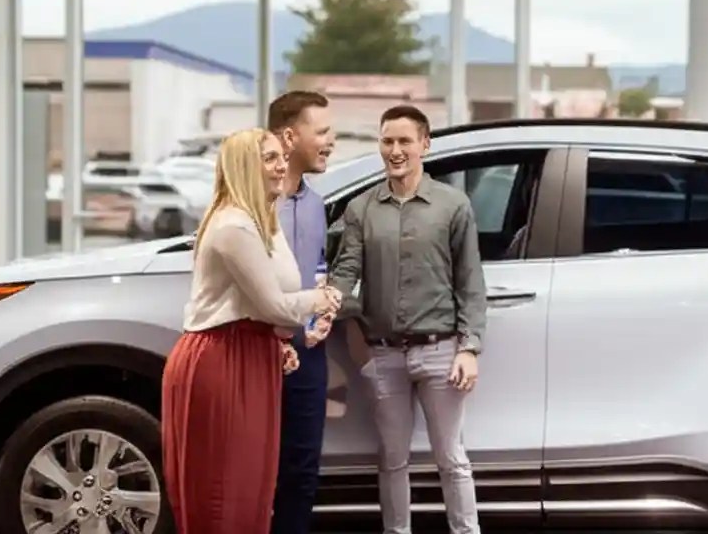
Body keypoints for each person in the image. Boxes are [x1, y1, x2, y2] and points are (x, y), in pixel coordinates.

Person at [161, 128, 341, 534]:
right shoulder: (234, 227)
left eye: (282, 156)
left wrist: (273, 340)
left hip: (248, 356)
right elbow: (274, 304)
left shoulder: (262, 220)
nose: (282, 166)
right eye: (270, 158)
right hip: (222, 363)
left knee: (249, 491)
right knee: (224, 494)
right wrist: (321, 298)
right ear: (244, 167)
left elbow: (260, 306)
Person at [329, 104, 487, 534]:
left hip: (441, 352)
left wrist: (470, 348)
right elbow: (347, 272)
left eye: (404, 141)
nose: (395, 150)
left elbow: (470, 281)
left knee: (451, 457)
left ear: (424, 144)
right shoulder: (362, 209)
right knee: (392, 459)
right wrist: (326, 304)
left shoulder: (453, 206)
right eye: (387, 141)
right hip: (385, 357)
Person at [267, 90, 337, 534]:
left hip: (308, 354)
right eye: (324, 131)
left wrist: (323, 310)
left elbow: (316, 268)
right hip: (258, 351)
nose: (331, 141)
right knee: (254, 470)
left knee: (303, 469)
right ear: (290, 136)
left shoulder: (316, 205)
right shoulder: (251, 204)